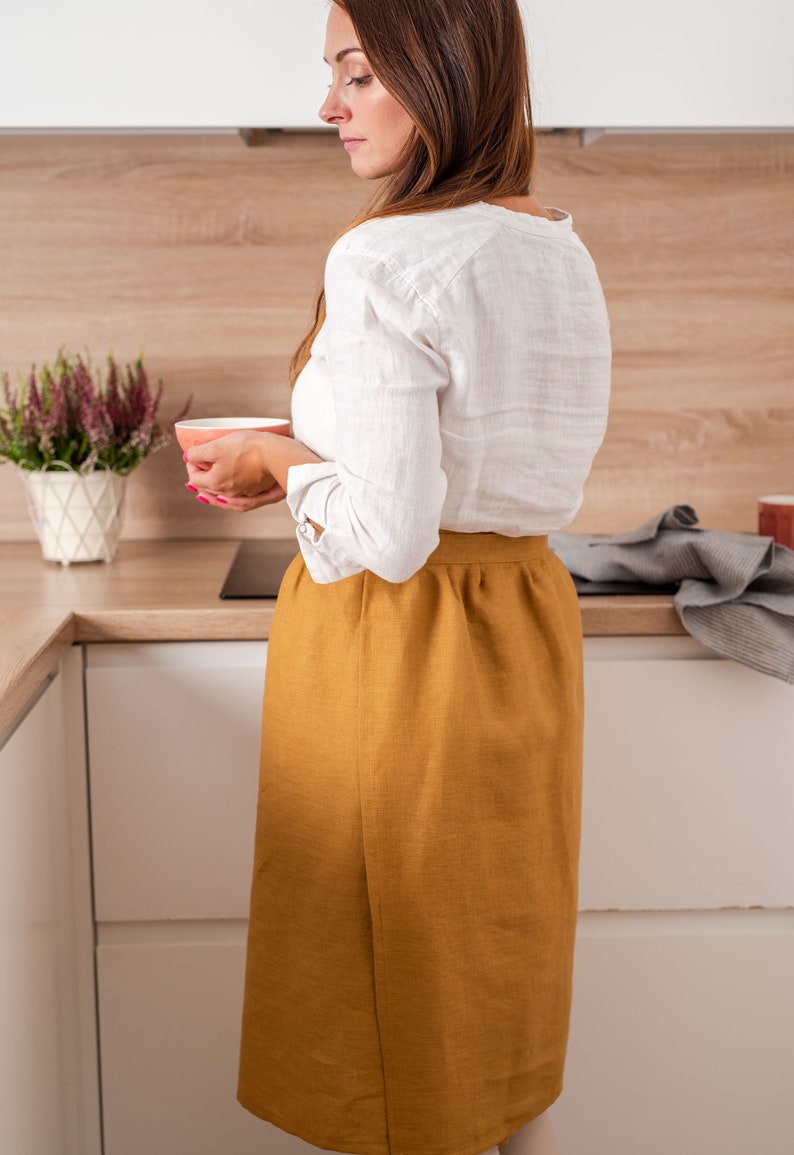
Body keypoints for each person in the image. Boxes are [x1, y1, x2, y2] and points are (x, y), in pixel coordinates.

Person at [183, 2, 611, 1153]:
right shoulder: (554, 242)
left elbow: (390, 535)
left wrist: (277, 457)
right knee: (483, 983)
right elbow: (458, 469)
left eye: (357, 74)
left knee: (381, 1003)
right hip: (517, 633)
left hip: (398, 652)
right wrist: (315, 455)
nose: (328, 105)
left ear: (439, 73)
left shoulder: (382, 252)